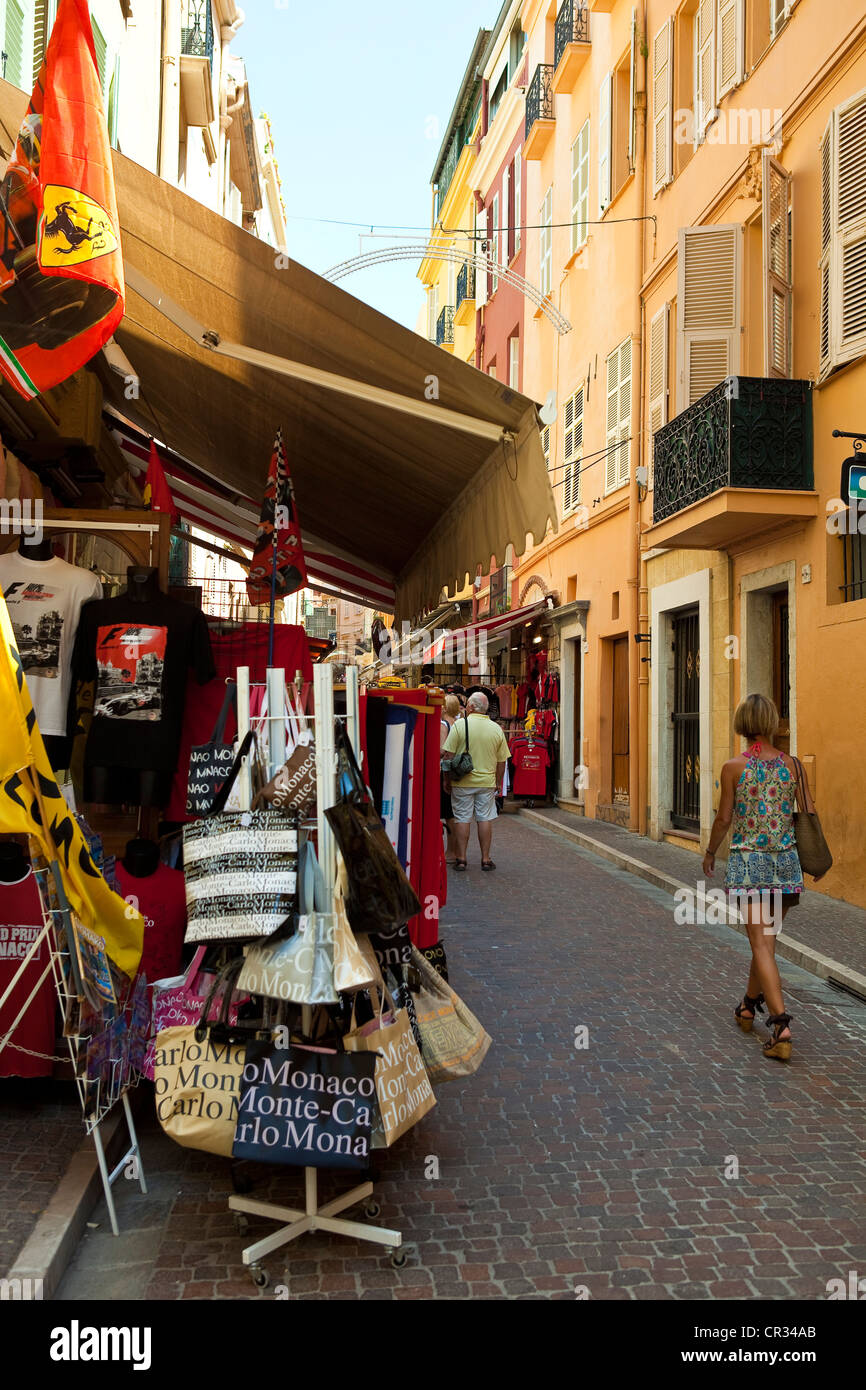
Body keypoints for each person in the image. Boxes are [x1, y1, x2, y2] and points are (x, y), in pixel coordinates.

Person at [703, 693, 818, 1062]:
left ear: (741, 724)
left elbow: (724, 819)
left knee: (760, 944)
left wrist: (709, 852)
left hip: (750, 864)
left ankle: (781, 1025)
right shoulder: (793, 765)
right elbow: (810, 811)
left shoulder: (734, 766)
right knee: (765, 943)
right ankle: (748, 1006)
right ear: (770, 722)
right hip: (786, 864)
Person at [442, 691, 509, 872]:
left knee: (462, 818)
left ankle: (462, 859)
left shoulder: (459, 726)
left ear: (470, 707)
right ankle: (486, 859)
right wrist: (498, 781)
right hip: (486, 782)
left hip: (462, 781)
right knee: (485, 818)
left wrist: (446, 779)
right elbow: (502, 760)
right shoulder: (496, 729)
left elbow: (448, 755)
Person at [440, 693, 461, 865]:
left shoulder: (443, 724)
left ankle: (451, 851)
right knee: (453, 813)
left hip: (444, 771)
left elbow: (442, 750)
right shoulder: (459, 723)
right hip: (457, 771)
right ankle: (456, 849)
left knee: (448, 814)